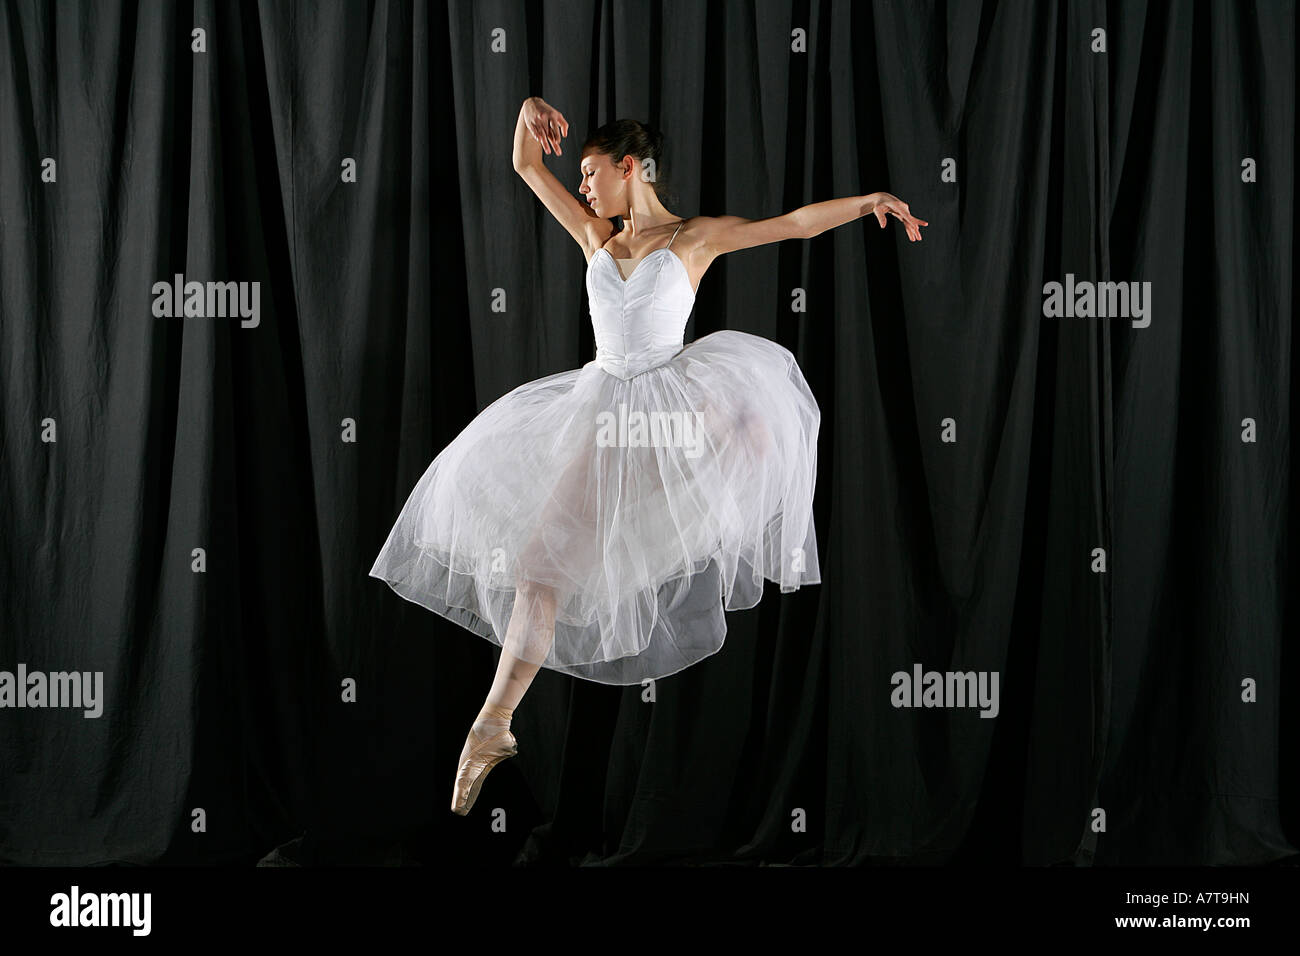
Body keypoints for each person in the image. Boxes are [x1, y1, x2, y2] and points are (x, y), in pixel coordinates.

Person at [369, 95, 928, 816]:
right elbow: (522, 162)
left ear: (628, 167)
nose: (584, 187)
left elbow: (789, 225)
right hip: (600, 411)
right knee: (541, 565)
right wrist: (527, 108)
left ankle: (711, 484)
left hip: (670, 408)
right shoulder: (596, 238)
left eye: (593, 173)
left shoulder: (695, 238)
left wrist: (869, 202)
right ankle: (494, 724)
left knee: (742, 428)